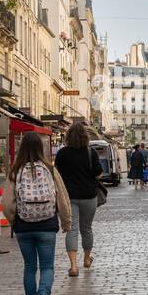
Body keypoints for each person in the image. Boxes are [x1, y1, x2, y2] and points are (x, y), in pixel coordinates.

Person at [3, 132, 71, 295]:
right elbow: (62, 197)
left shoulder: (15, 170)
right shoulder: (50, 168)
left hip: (24, 227)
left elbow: (7, 203)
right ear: (41, 148)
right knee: (48, 266)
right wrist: (66, 221)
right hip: (47, 225)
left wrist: (13, 221)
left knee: (30, 267)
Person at [54, 119, 103, 277]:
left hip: (69, 197)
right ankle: (87, 259)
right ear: (85, 136)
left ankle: (73, 266)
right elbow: (99, 174)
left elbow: (57, 174)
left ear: (68, 136)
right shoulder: (91, 152)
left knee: (72, 230)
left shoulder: (62, 153)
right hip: (89, 196)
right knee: (87, 229)